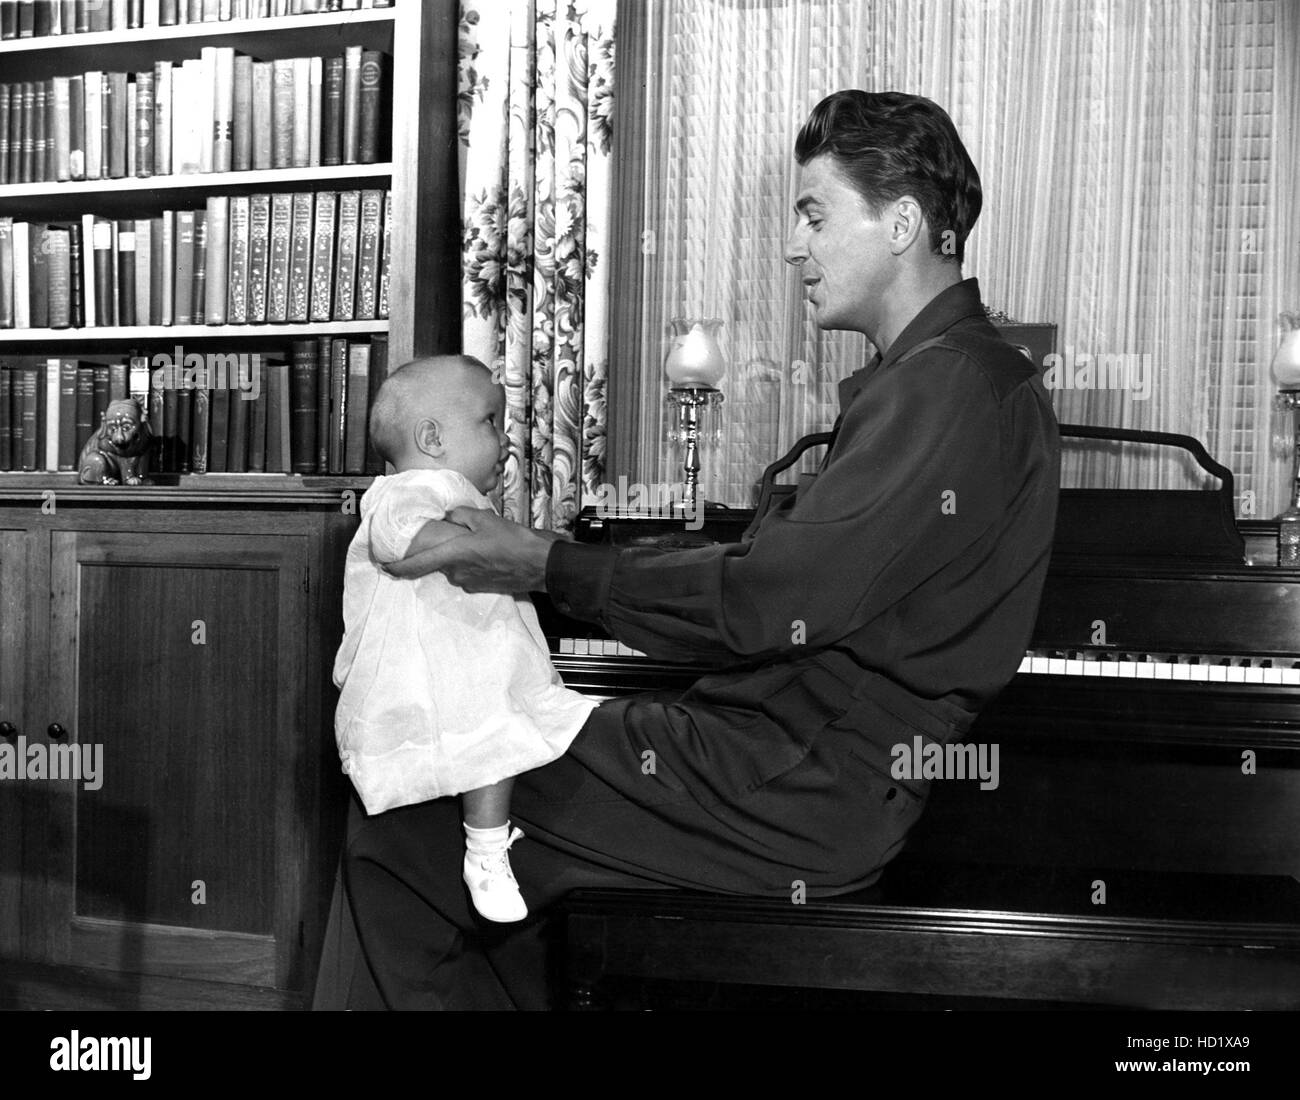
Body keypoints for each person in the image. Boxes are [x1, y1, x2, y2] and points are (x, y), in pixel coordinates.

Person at [343, 89, 1061, 1009]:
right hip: (782, 762)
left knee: (401, 813)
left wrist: (545, 565)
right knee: (478, 825)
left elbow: (771, 599)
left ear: (904, 223)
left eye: (813, 214)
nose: (795, 246)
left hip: (786, 787)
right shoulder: (938, 380)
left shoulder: (950, 389)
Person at [332, 356, 595, 923]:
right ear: (431, 438)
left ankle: (488, 844)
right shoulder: (408, 489)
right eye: (490, 421)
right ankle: (486, 852)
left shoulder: (451, 489)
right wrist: (488, 544)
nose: (505, 440)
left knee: (496, 739)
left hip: (466, 658)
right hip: (425, 668)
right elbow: (396, 536)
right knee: (491, 741)